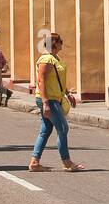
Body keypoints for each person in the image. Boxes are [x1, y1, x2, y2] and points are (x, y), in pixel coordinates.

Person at [29, 32, 83, 172]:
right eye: (60, 41)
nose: (62, 43)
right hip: (49, 99)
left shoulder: (55, 58)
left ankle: (35, 162)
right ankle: (67, 162)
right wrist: (45, 102)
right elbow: (41, 81)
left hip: (55, 97)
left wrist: (67, 94)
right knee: (63, 128)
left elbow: (58, 79)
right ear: (55, 43)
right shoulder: (46, 59)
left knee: (46, 130)